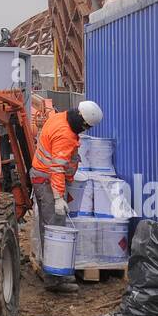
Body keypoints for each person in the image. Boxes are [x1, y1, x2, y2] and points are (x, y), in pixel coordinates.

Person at [32, 99, 103, 289]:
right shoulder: (65, 134)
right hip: (47, 180)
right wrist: (57, 198)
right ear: (81, 120)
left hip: (43, 176)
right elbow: (57, 169)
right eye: (86, 126)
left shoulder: (61, 117)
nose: (85, 130)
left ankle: (54, 270)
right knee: (55, 227)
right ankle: (54, 279)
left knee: (49, 225)